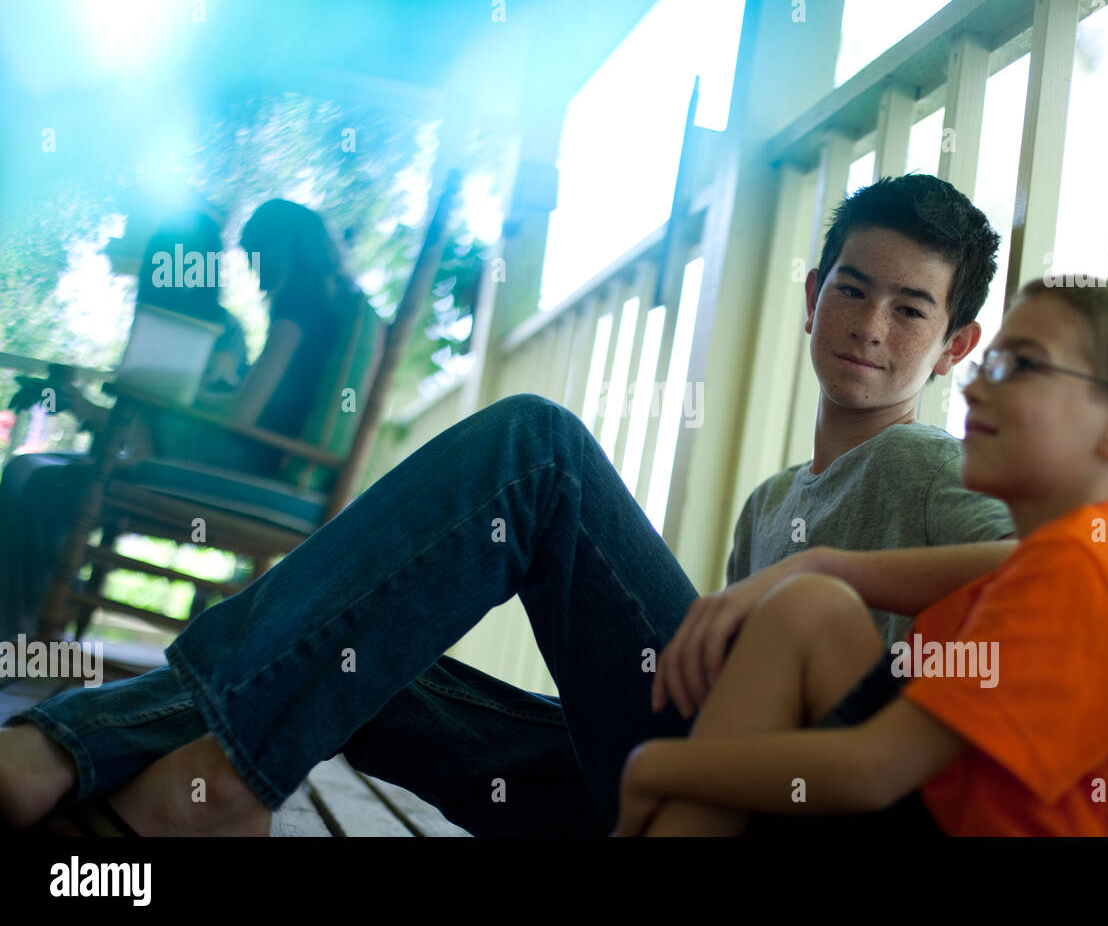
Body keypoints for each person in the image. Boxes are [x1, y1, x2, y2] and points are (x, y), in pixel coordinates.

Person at [0, 174, 1018, 838]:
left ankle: (89, 745)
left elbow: (1043, 571)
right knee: (369, 659)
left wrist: (827, 570)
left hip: (810, 799)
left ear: (955, 344)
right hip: (676, 788)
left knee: (538, 452)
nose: (869, 323)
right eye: (850, 286)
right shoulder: (770, 502)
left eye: (910, 305)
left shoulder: (931, 467)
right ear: (809, 295)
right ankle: (162, 790)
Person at [611, 278, 1108, 836]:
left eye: (1020, 366)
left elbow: (874, 770)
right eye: (987, 366)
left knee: (801, 613)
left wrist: (656, 766)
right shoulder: (1071, 560)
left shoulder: (1086, 571)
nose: (976, 388)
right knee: (809, 608)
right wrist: (820, 565)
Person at [0, 201, 362, 641]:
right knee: (40, 478)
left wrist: (188, 395)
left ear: (280, 248)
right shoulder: (327, 306)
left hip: (244, 460)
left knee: (42, 484)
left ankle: (24, 635)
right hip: (257, 456)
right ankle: (26, 631)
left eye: (253, 254)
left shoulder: (295, 310)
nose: (250, 269)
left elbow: (245, 412)